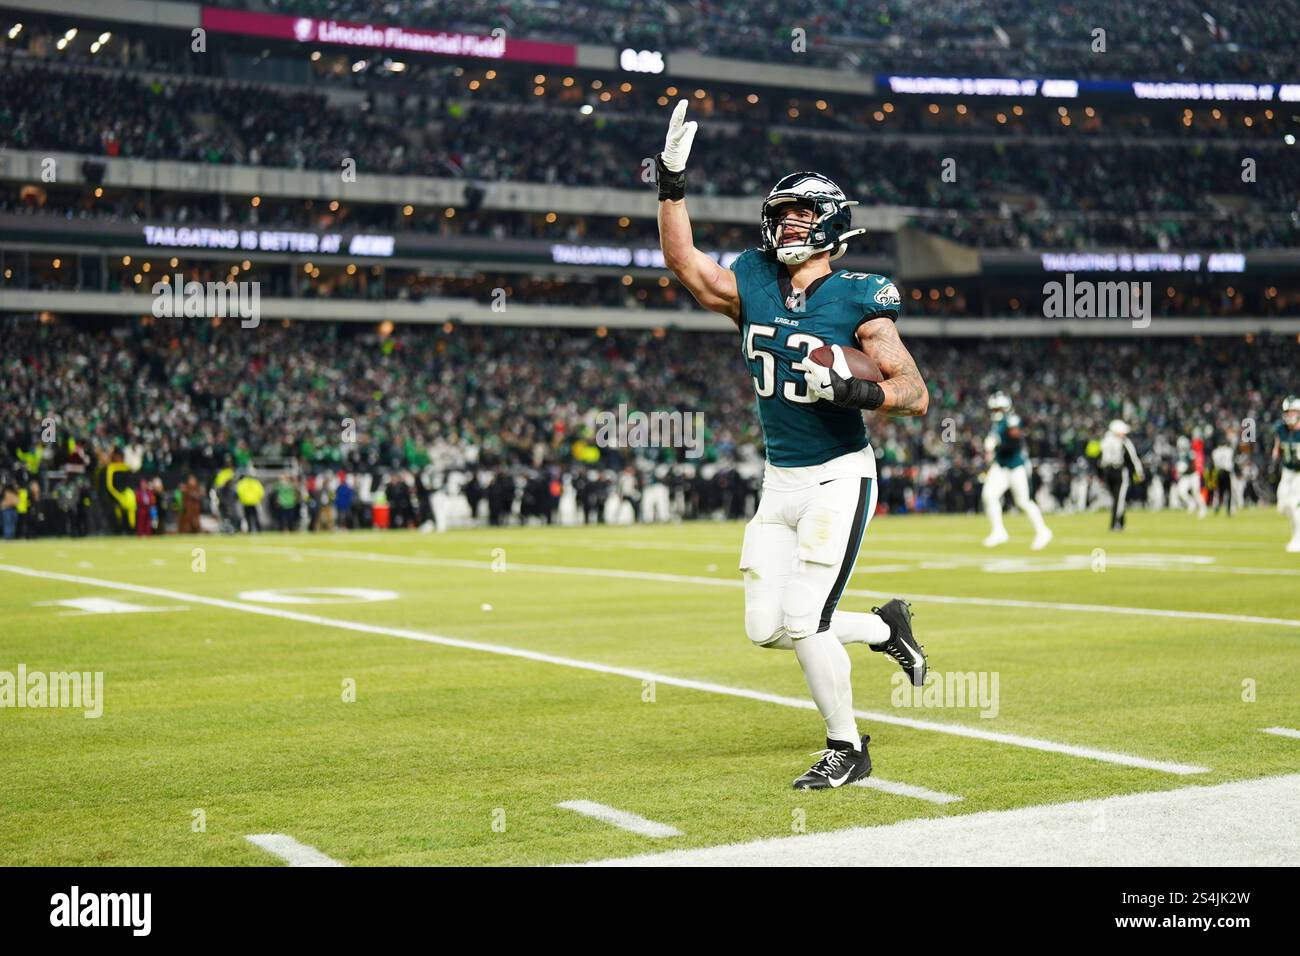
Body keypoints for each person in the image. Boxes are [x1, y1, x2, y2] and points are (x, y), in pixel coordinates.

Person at [655, 100, 929, 790]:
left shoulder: (860, 295)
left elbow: (913, 391)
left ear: (831, 225)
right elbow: (683, 261)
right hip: (781, 480)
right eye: (780, 216)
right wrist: (670, 185)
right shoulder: (752, 279)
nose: (785, 227)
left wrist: (855, 392)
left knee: (806, 619)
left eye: (800, 217)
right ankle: (884, 627)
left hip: (840, 475)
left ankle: (847, 748)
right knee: (766, 627)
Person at [981, 393, 1053, 549]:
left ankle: (1043, 531)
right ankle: (998, 531)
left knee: (1023, 501)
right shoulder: (996, 424)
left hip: (1015, 466)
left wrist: (996, 445)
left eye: (998, 408)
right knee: (989, 496)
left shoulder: (1011, 421)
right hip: (1000, 466)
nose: (995, 412)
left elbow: (1015, 442)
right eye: (993, 409)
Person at [1099, 419, 1144, 531]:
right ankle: (1116, 523)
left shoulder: (1104, 441)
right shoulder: (1123, 442)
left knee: (1117, 499)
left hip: (1109, 472)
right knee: (1118, 499)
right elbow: (1133, 458)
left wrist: (1100, 474)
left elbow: (1099, 459)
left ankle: (1119, 522)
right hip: (1117, 472)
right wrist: (1138, 473)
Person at [1272, 395, 1300, 552]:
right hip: (1287, 471)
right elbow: (1277, 446)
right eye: (1288, 412)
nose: (1290, 415)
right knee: (1283, 507)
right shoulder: (1281, 429)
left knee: (1295, 504)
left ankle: (1298, 539)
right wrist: (1275, 452)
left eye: (1293, 412)